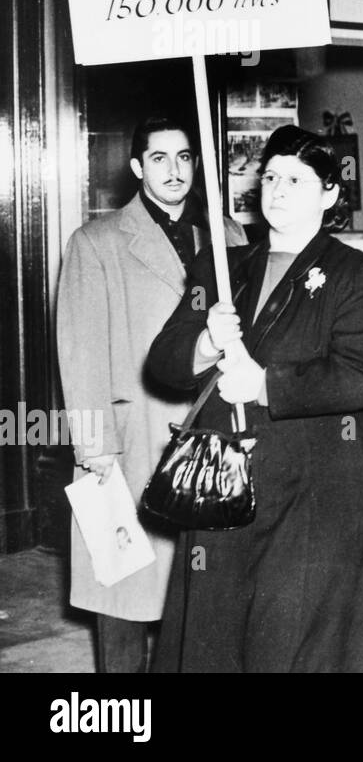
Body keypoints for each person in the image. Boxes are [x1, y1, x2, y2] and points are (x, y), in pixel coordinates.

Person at [146, 125, 363, 672]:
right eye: (271, 177)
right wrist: (207, 339)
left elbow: (361, 376)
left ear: (330, 194)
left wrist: (264, 383)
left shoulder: (362, 275)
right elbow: (162, 364)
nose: (278, 189)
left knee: (292, 639)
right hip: (223, 483)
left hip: (313, 492)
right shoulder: (221, 266)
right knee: (214, 632)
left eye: (297, 180)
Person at [56, 115, 245, 673]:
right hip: (134, 438)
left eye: (185, 157)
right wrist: (95, 448)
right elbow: (80, 349)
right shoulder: (97, 242)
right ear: (138, 167)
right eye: (159, 158)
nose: (174, 170)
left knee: (205, 593)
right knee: (125, 589)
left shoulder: (228, 235)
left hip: (213, 434)